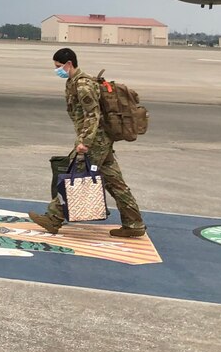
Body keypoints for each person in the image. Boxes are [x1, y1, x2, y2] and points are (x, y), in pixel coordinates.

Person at [28, 48, 146, 238]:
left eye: (58, 66)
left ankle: (53, 218)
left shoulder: (83, 85)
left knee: (74, 176)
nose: (57, 70)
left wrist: (85, 142)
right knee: (115, 182)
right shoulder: (74, 82)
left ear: (68, 64)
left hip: (95, 141)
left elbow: (93, 115)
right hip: (101, 141)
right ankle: (134, 223)